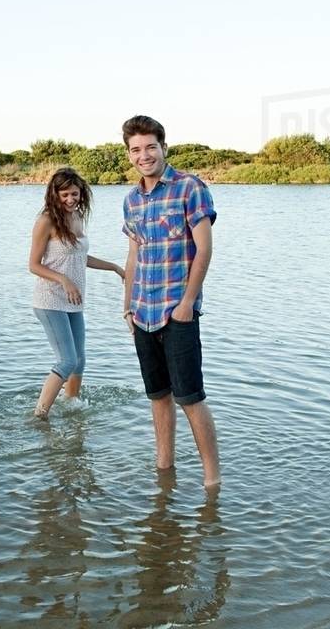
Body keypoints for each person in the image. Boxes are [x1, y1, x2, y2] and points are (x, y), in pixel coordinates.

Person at [120, 115, 222, 488]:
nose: (143, 155)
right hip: (142, 312)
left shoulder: (189, 188)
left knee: (190, 397)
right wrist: (127, 306)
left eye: (150, 147)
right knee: (158, 396)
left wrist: (187, 303)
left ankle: (213, 482)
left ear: (163, 147)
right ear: (129, 154)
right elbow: (133, 256)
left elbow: (205, 249)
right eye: (136, 149)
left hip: (177, 312)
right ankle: (164, 470)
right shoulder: (132, 200)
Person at [29, 167, 124, 419]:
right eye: (64, 195)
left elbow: (80, 257)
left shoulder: (77, 217)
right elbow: (33, 265)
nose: (70, 200)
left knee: (79, 360)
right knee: (67, 361)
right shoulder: (46, 221)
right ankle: (39, 415)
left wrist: (114, 268)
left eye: (75, 194)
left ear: (82, 193)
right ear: (54, 195)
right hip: (50, 301)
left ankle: (71, 406)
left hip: (73, 301)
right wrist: (64, 280)